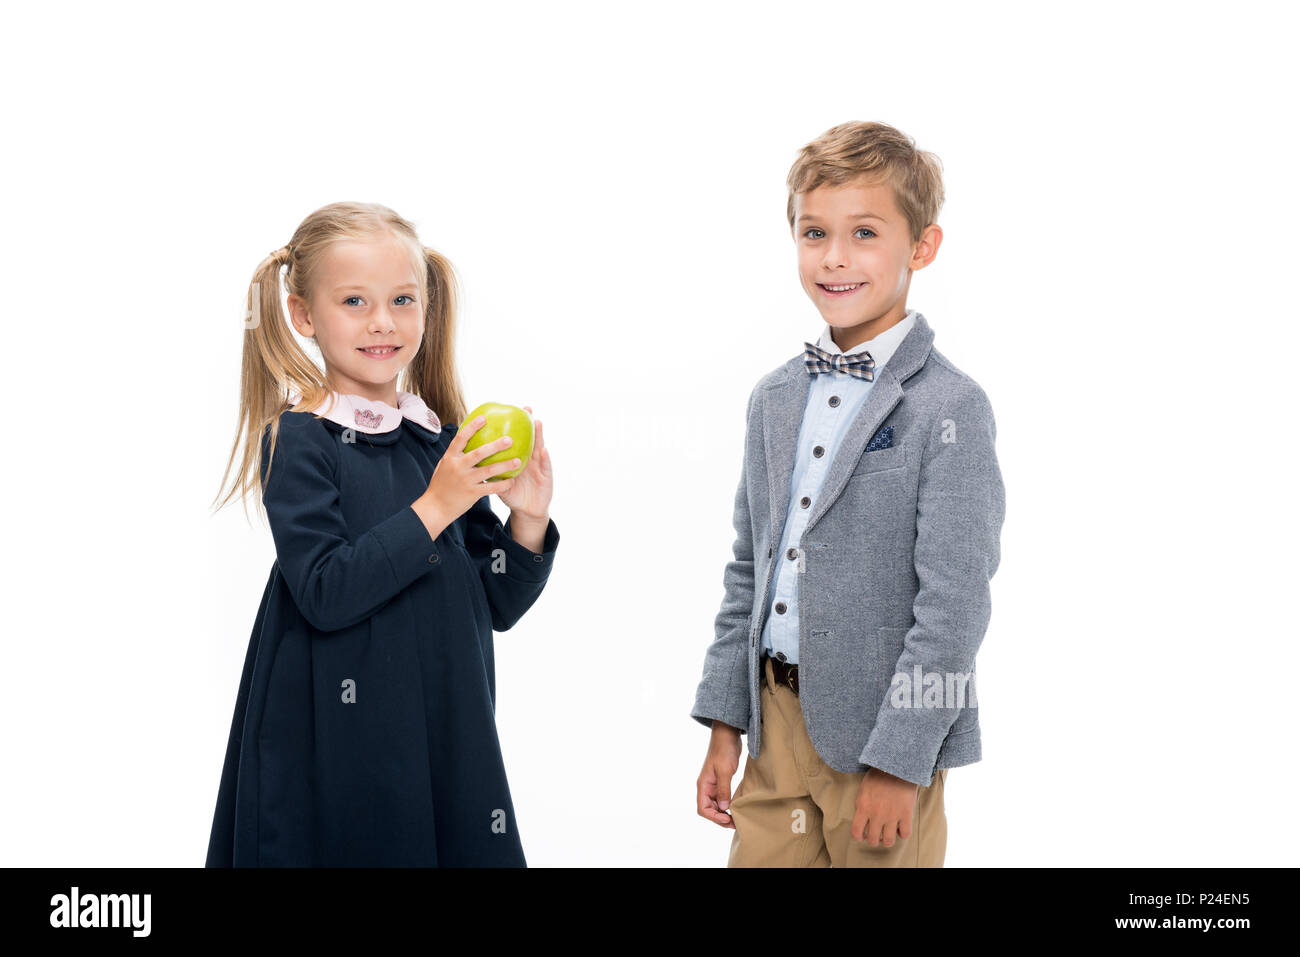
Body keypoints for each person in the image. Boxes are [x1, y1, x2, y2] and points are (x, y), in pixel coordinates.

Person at [205, 201, 559, 866]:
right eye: (354, 301)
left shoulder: (438, 440)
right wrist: (436, 505)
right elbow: (324, 591)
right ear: (304, 315)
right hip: (339, 743)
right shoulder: (299, 439)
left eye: (402, 299)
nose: (382, 322)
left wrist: (528, 519)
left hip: (445, 732)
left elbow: (498, 603)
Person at [691, 121, 1005, 867]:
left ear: (922, 247)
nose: (834, 257)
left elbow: (955, 602)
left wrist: (902, 759)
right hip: (774, 725)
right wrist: (725, 721)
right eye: (814, 232)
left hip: (882, 737)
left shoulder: (949, 407)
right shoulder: (773, 398)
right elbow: (750, 571)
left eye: (865, 232)